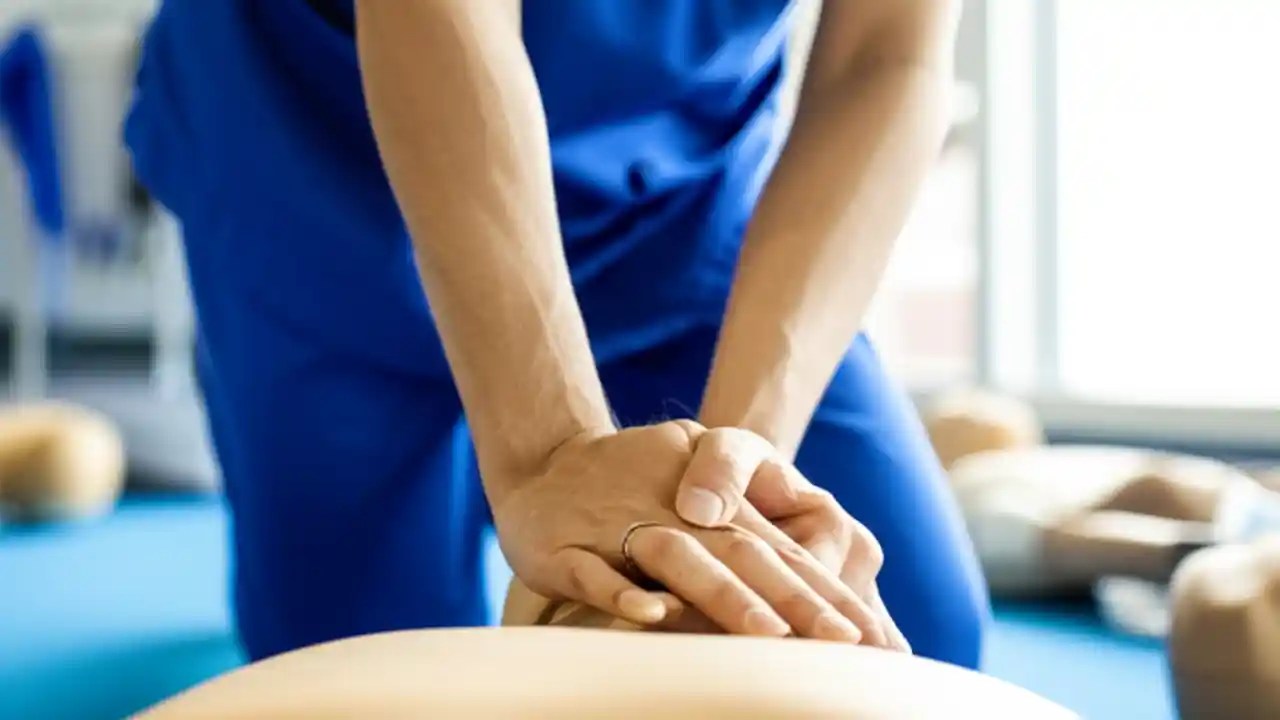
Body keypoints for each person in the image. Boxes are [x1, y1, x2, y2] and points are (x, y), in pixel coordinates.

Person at [125, 0, 988, 666]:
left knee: (916, 645)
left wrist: (727, 486)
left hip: (674, 195)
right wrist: (548, 454)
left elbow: (888, 56)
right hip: (317, 171)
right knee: (360, 679)